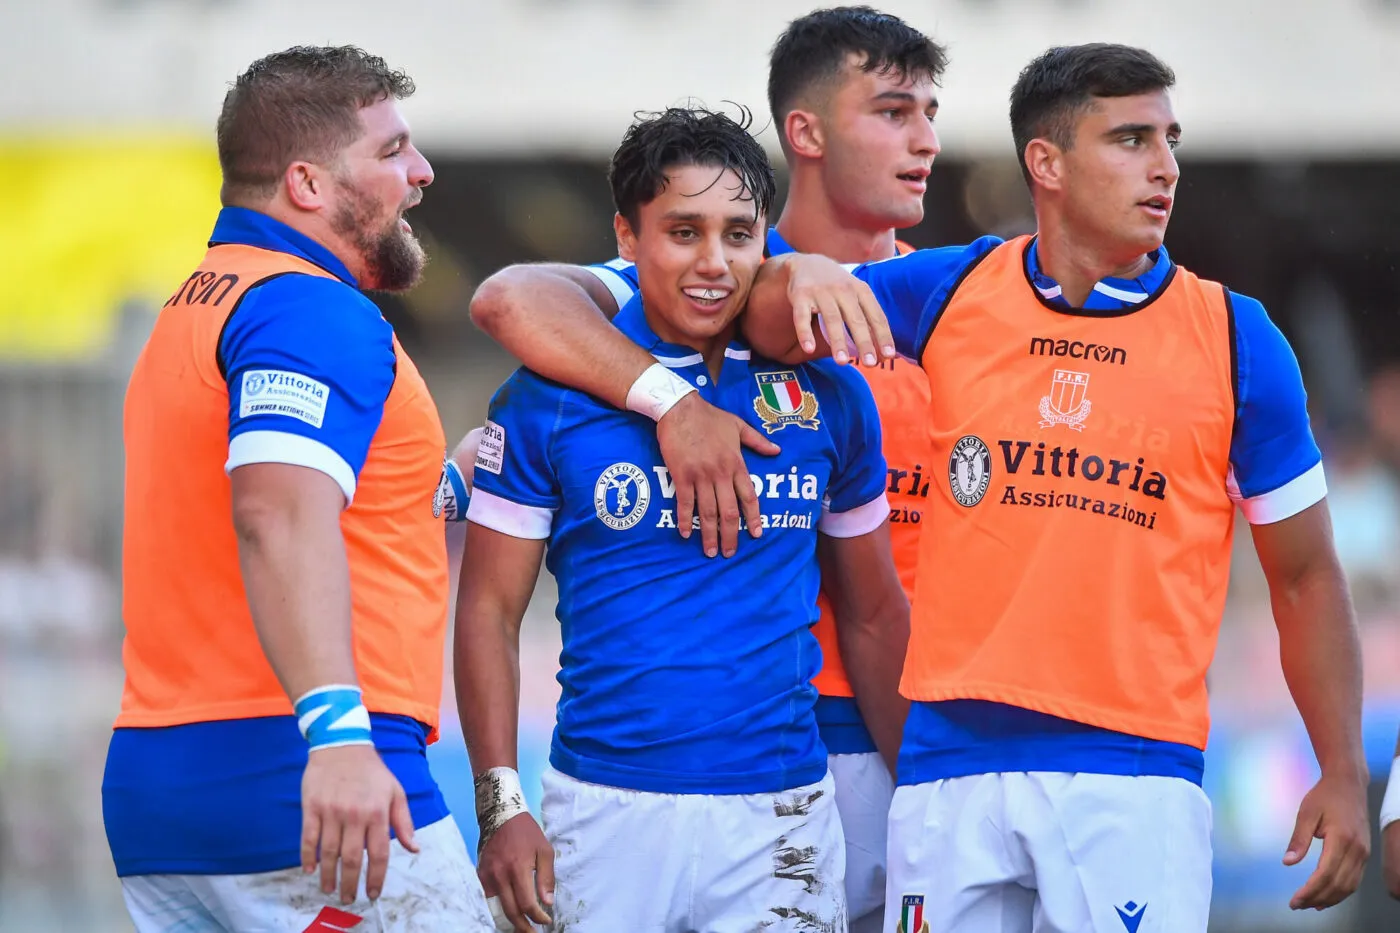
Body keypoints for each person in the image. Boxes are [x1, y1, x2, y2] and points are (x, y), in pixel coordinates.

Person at [740, 43, 1371, 930]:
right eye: (1130, 139)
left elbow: (1305, 577)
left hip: (1133, 776)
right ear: (1047, 162)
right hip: (946, 769)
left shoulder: (1238, 339)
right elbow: (769, 321)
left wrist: (1340, 768)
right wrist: (798, 271)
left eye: (1170, 140)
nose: (1165, 166)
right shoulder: (951, 287)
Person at [467, 12, 945, 925]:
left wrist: (924, 793)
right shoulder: (549, 396)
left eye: (738, 233)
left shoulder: (831, 395)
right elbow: (488, 611)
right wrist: (501, 805)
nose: (714, 262)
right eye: (683, 231)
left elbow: (874, 614)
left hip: (785, 815)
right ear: (627, 235)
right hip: (602, 811)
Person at [101, 46, 492, 932]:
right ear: (308, 184)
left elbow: (294, 507)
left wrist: (450, 483)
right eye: (392, 150)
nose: (422, 172)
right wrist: (340, 735)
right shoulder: (307, 308)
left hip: (167, 796)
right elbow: (276, 515)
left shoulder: (202, 303)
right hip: (312, 778)